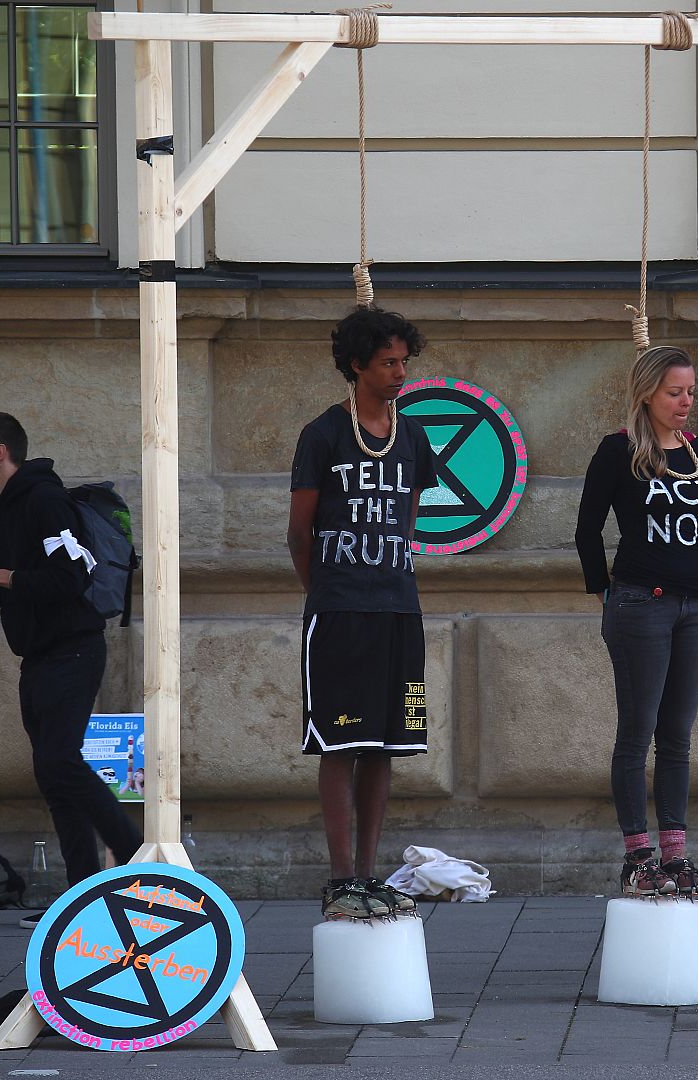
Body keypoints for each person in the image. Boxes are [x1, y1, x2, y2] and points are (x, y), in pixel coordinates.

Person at [0, 413, 143, 927]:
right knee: (53, 776)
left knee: (61, 762)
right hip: (36, 653)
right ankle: (81, 900)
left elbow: (69, 576)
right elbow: (20, 586)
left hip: (75, 649)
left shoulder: (45, 500)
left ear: (0, 454)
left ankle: (137, 859)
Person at [287, 307, 437, 920]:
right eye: (387, 362)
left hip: (398, 607)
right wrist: (324, 591)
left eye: (405, 361)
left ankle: (372, 875)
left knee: (385, 744)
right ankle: (341, 877)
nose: (400, 373)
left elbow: (409, 520)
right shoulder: (322, 434)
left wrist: (389, 572)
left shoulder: (415, 436)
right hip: (339, 610)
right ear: (356, 365)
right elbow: (299, 533)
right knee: (339, 743)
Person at [575, 346, 698, 898]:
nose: (685, 403)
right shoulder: (618, 451)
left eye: (690, 393)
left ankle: (676, 854)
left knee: (677, 736)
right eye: (674, 393)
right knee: (637, 733)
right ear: (647, 393)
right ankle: (638, 856)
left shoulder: (693, 450)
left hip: (693, 604)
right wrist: (607, 593)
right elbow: (588, 529)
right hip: (641, 604)